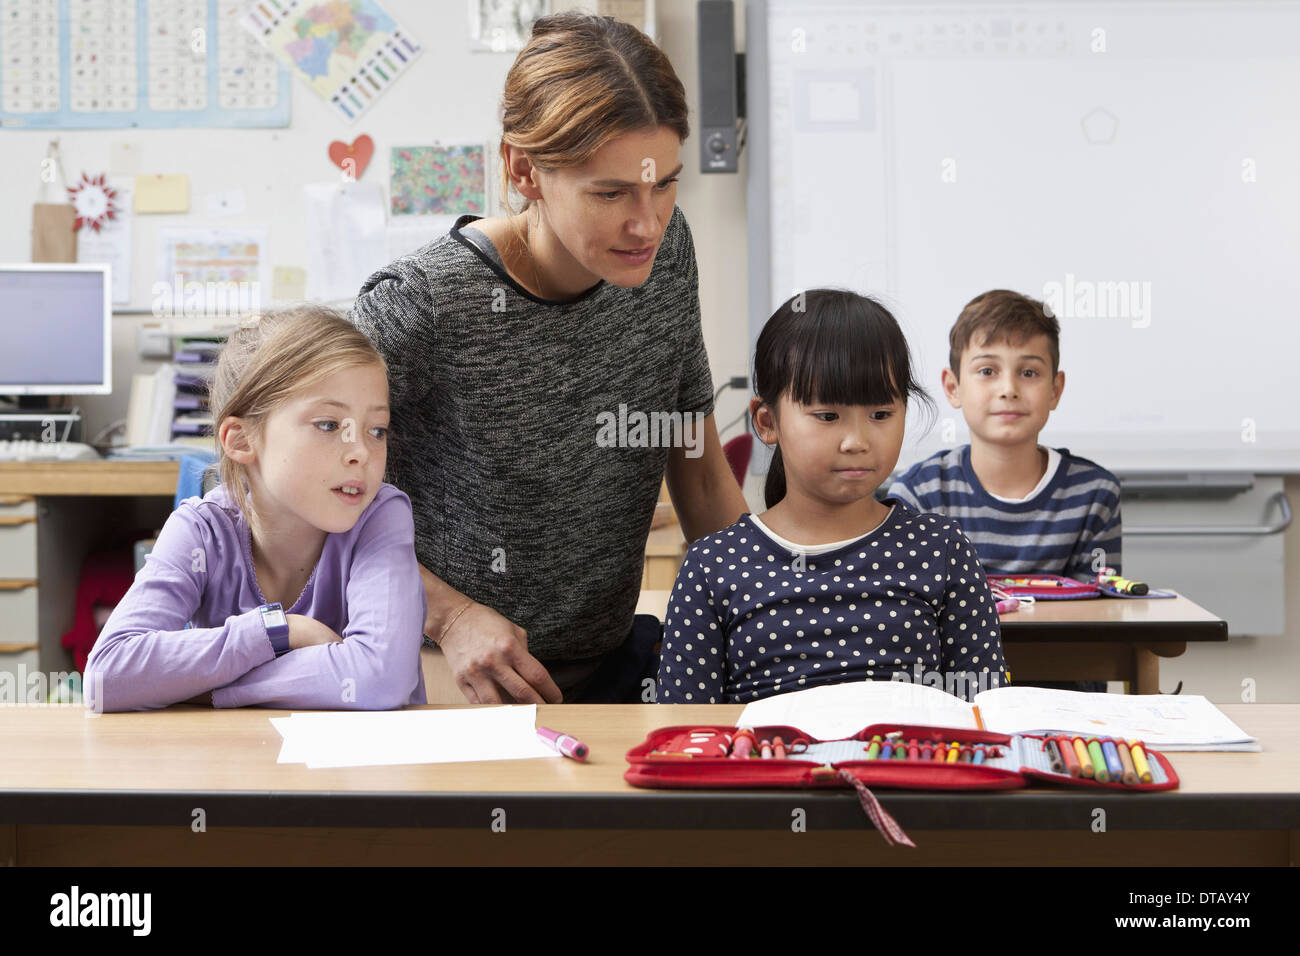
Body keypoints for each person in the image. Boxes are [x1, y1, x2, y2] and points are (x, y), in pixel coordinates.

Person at [350, 11, 747, 705]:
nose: (646, 222)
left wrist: (786, 606)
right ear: (522, 168)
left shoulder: (666, 251)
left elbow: (699, 469)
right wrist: (451, 615)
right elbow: (291, 501)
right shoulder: (422, 302)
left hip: (607, 672)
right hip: (439, 680)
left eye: (664, 184)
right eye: (611, 192)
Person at [656, 289, 1007, 704]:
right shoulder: (711, 566)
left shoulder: (942, 550)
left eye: (880, 414)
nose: (856, 440)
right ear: (768, 422)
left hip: (902, 766)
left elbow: (988, 715)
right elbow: (686, 731)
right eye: (827, 416)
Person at [84, 307, 427, 712]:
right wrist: (279, 630)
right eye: (329, 425)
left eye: (377, 430)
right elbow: (107, 676)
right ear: (242, 439)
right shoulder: (201, 531)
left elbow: (378, 680)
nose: (361, 452)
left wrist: (206, 689)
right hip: (238, 768)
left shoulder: (380, 516)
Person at [886, 289, 1123, 691]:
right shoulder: (919, 492)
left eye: (1029, 372)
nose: (1009, 388)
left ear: (1055, 389)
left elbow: (1095, 620)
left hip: (1065, 703)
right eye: (987, 371)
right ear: (952, 386)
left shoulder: (1094, 493)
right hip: (956, 705)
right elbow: (911, 620)